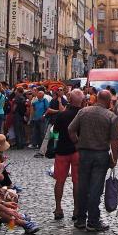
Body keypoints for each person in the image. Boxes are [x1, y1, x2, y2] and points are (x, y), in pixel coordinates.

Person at [68, 89, 118, 232]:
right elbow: (114, 141)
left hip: (84, 153)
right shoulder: (111, 117)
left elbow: (71, 130)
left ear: (96, 98)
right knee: (96, 188)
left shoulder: (83, 112)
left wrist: (77, 144)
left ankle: (80, 219)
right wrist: (114, 159)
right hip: (101, 154)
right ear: (109, 101)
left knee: (83, 186)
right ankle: (93, 220)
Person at [51, 88, 83, 220]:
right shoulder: (82, 115)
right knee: (77, 182)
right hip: (77, 151)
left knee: (60, 181)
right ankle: (76, 210)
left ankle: (58, 208)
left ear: (69, 100)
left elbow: (55, 131)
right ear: (81, 101)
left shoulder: (62, 115)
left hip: (62, 150)